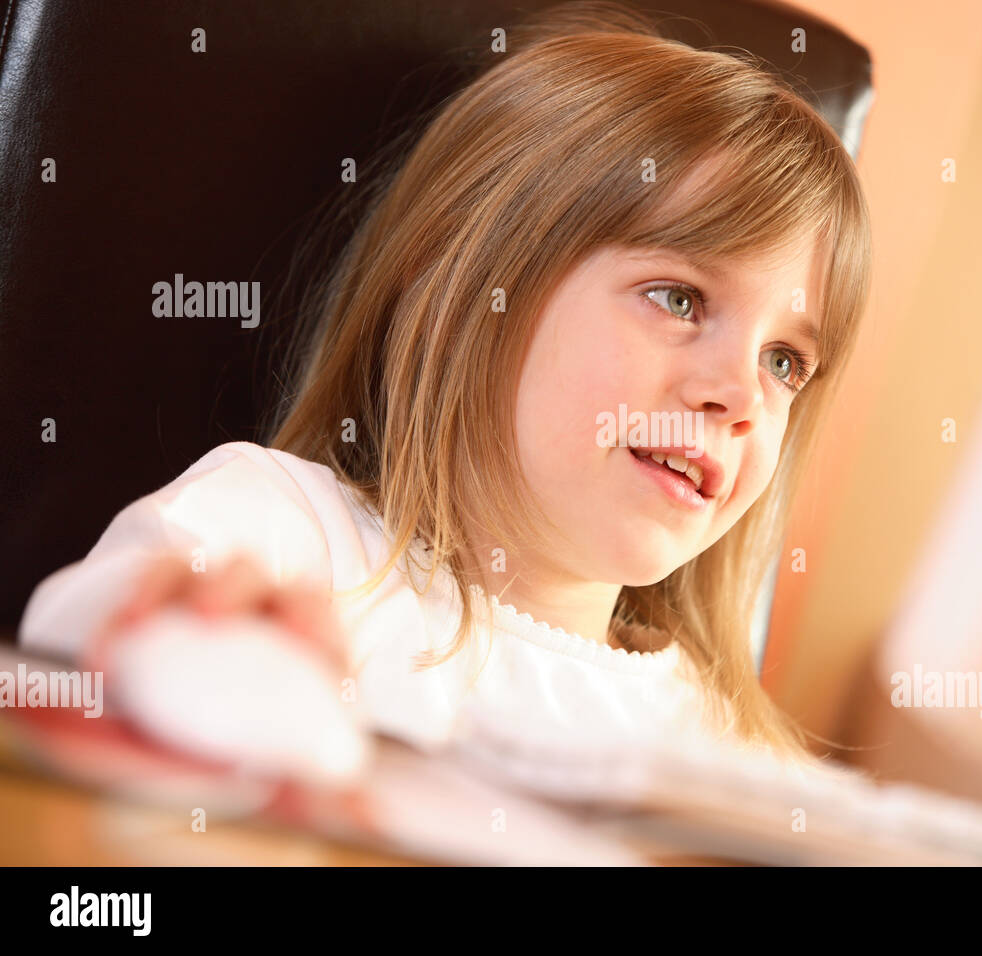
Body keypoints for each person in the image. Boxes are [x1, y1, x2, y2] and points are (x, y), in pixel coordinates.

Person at [18, 1, 871, 783]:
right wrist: (169, 630)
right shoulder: (286, 534)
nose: (740, 394)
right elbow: (70, 650)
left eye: (786, 361)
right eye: (679, 299)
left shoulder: (720, 744)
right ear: (464, 295)